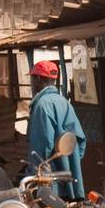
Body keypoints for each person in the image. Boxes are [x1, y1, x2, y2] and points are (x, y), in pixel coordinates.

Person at [26, 60, 86, 198]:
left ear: (38, 78)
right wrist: (72, 163)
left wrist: (35, 173)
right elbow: (81, 140)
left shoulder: (42, 105)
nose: (32, 83)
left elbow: (43, 146)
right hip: (70, 177)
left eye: (32, 78)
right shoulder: (64, 103)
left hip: (50, 180)